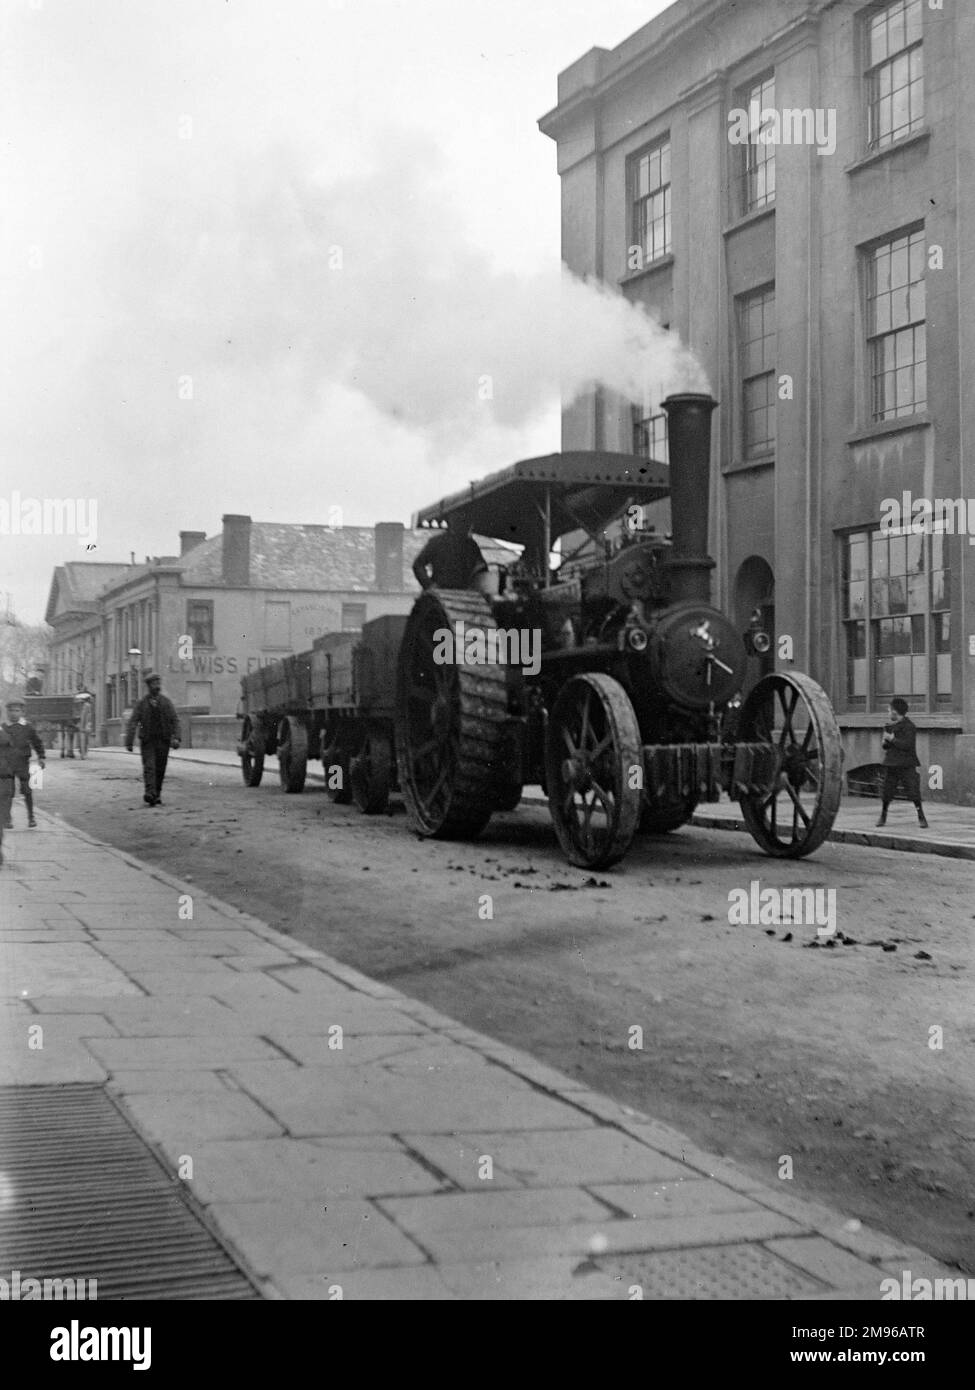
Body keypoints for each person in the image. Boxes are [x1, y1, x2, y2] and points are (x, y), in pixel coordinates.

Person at [124, 673, 181, 806]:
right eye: (154, 684)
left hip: (163, 740)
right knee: (149, 767)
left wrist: (177, 737)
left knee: (160, 768)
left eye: (158, 683)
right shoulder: (141, 704)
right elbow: (133, 721)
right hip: (148, 741)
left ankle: (157, 794)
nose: (157, 686)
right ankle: (150, 793)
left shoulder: (166, 702)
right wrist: (129, 741)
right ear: (149, 686)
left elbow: (175, 720)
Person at [877, 697, 927, 829]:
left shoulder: (910, 727)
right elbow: (886, 747)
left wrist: (892, 739)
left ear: (895, 711)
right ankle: (883, 815)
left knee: (913, 791)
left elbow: (907, 745)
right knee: (887, 792)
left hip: (906, 764)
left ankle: (921, 816)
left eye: (889, 710)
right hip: (892, 763)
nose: (888, 713)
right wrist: (885, 742)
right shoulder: (890, 727)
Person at [412, 511, 488, 591]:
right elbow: (418, 564)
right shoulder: (437, 541)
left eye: (465, 521)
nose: (464, 525)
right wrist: (429, 585)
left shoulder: (471, 545)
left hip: (463, 591)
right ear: (451, 521)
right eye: (460, 520)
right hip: (440, 590)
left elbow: (481, 567)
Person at [1, 697, 45, 829]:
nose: (14, 713)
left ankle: (31, 817)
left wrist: (41, 757)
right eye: (11, 711)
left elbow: (37, 742)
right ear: (7, 712)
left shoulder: (27, 727)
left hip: (22, 763)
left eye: (17, 710)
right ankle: (7, 819)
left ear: (22, 712)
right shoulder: (3, 727)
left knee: (27, 790)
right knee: (7, 792)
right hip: (6, 765)